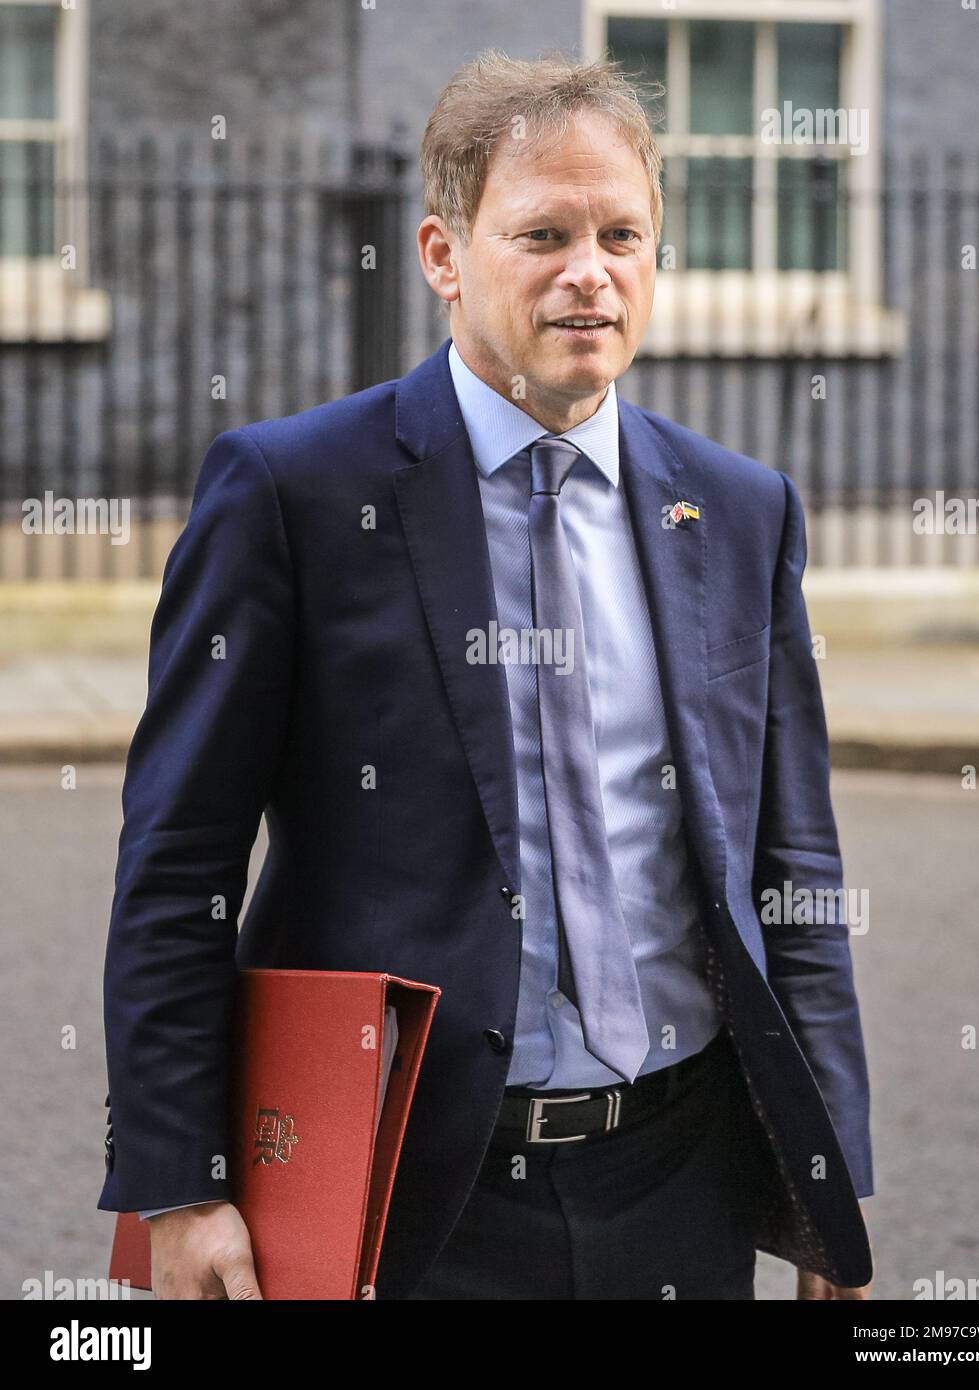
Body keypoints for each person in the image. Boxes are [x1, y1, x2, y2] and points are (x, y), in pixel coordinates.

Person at [98, 49, 873, 1300]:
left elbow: (794, 868)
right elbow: (177, 863)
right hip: (404, 1193)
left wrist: (831, 1195)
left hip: (680, 1179)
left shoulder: (737, 510)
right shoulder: (294, 494)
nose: (591, 271)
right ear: (442, 255)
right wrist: (180, 1185)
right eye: (543, 233)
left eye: (624, 233)